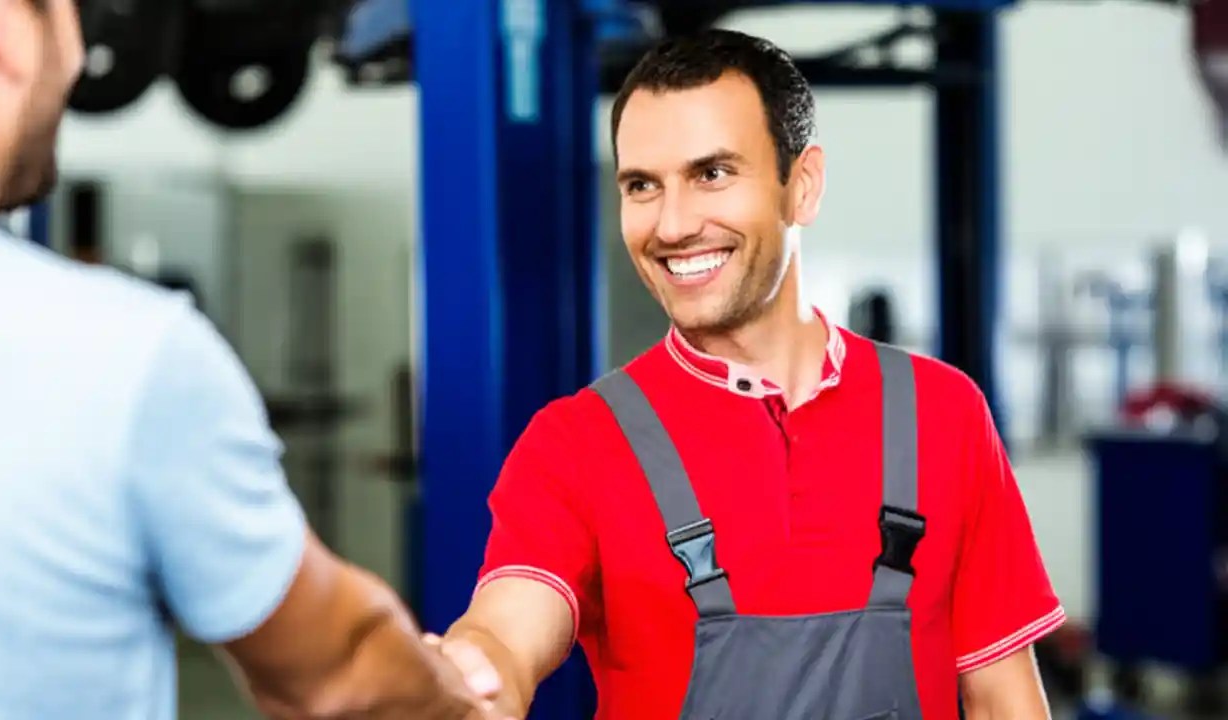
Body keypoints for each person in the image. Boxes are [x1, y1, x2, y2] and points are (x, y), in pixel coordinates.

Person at [431, 29, 1064, 720]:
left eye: (712, 174)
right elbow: (507, 629)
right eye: (642, 185)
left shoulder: (941, 415)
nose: (672, 225)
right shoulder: (577, 443)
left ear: (804, 186)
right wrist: (474, 675)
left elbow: (1007, 699)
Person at [0, 1, 508, 718]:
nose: (80, 57)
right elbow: (339, 677)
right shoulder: (121, 356)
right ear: (5, 30)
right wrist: (460, 699)